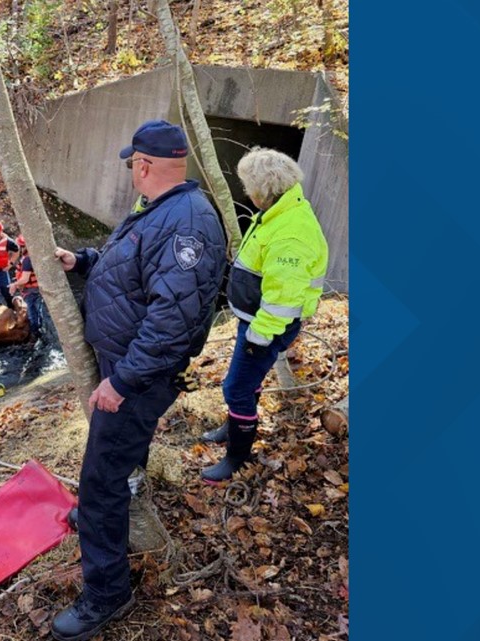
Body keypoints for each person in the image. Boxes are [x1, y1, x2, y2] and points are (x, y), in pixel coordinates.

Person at [49, 119, 226, 641]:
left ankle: (107, 593)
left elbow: (173, 321)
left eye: (133, 163)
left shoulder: (188, 222)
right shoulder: (160, 210)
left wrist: (121, 382)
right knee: (118, 464)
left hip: (139, 375)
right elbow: (131, 271)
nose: (132, 170)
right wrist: (80, 261)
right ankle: (119, 499)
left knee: (99, 482)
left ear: (143, 166)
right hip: (127, 364)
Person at [200, 147, 329, 482]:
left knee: (236, 388)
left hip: (266, 325)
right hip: (256, 319)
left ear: (263, 192)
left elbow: (283, 295)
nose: (246, 192)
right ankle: (233, 426)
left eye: (248, 187)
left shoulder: (290, 233)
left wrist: (261, 333)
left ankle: (237, 458)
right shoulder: (281, 210)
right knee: (247, 381)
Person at [8, 235, 45, 340]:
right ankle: (39, 329)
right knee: (37, 311)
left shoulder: (27, 260)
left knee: (33, 313)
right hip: (35, 289)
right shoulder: (30, 256)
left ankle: (35, 335)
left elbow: (25, 279)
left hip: (32, 291)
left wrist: (14, 285)